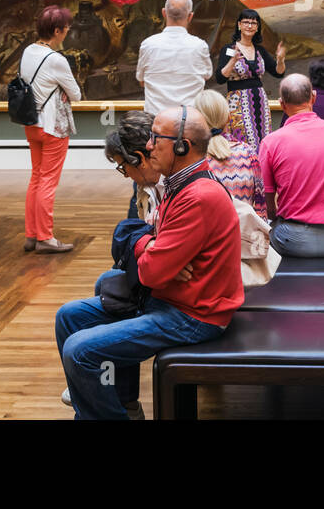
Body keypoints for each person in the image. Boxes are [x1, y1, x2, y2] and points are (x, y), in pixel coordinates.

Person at [55, 106, 242, 420]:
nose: (150, 145)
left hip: (194, 315)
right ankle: (125, 406)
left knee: (79, 350)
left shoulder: (197, 195)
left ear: (181, 146)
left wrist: (150, 250)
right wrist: (150, 245)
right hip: (170, 299)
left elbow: (151, 271)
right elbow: (148, 245)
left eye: (157, 138)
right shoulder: (179, 184)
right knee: (68, 318)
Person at [259, 74, 324, 257]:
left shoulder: (270, 143)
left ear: (282, 104)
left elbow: (269, 210)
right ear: (313, 97)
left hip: (293, 242)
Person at [19, 5, 82, 254]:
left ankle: (31, 235)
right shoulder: (56, 59)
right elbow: (76, 94)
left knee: (36, 177)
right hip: (52, 126)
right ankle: (46, 238)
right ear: (56, 30)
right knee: (48, 182)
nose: (67, 33)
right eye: (66, 29)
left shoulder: (27, 52)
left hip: (31, 124)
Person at [215, 8, 286, 148]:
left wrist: (280, 60)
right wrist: (232, 61)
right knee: (241, 139)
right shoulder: (229, 49)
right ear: (239, 25)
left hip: (259, 100)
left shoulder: (260, 50)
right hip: (238, 101)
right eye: (246, 22)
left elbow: (278, 73)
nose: (249, 25)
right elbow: (220, 78)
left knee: (263, 137)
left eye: (253, 23)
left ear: (257, 27)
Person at [136, 0, 213, 117]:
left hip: (157, 122)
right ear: (190, 16)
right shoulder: (199, 46)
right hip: (189, 121)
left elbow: (141, 81)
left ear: (164, 13)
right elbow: (206, 76)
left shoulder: (148, 45)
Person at [195, 89, 264, 213]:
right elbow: (260, 206)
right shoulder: (248, 153)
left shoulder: (191, 158)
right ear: (228, 118)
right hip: (243, 231)